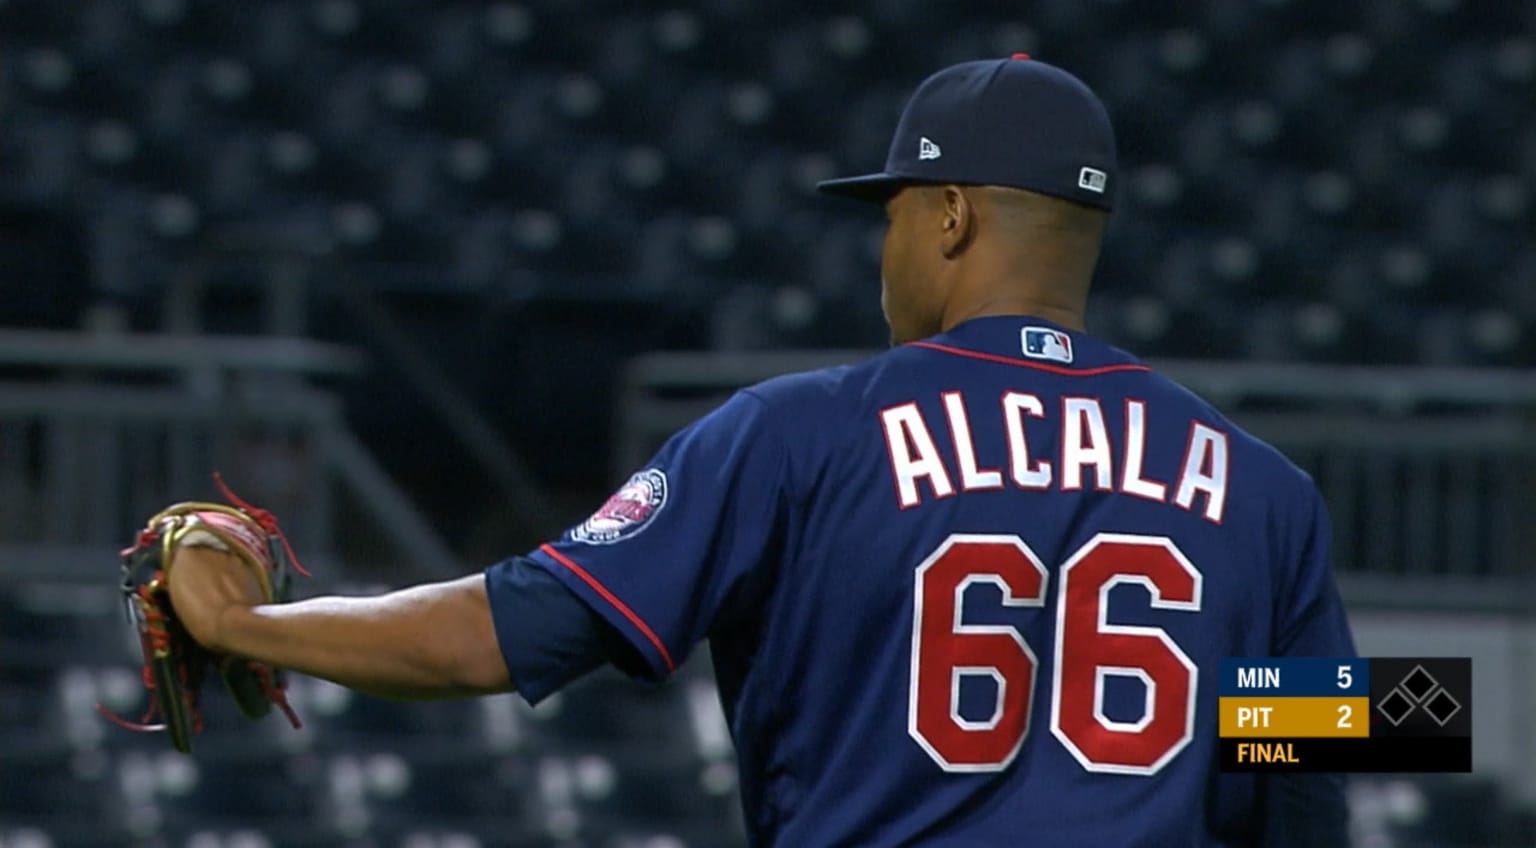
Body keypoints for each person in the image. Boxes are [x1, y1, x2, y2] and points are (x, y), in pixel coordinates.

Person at [167, 55, 1354, 846]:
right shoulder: (1266, 491)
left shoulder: (800, 435)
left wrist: (247, 625)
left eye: (894, 213)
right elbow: (1321, 771)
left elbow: (503, 632)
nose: (886, 248)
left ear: (951, 215)